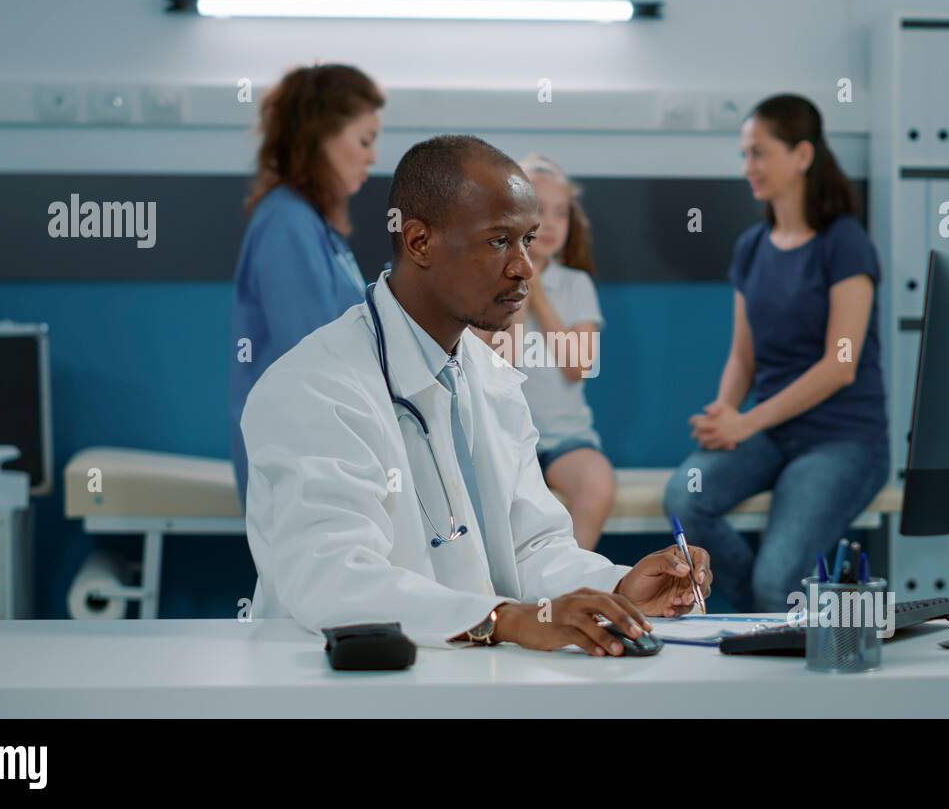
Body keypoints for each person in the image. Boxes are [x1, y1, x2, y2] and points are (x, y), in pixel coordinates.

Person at [242, 135, 712, 654]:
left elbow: (532, 545)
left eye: (528, 240)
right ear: (419, 242)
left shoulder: (492, 380)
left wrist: (618, 588)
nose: (523, 268)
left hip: (463, 679)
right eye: (498, 241)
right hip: (336, 687)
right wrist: (502, 619)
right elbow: (332, 577)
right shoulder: (316, 385)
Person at [663, 94, 889, 613]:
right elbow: (744, 357)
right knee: (685, 498)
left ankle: (759, 615)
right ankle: (749, 615)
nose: (748, 168)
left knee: (778, 579)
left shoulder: (845, 242)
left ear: (802, 156)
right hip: (769, 431)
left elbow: (841, 363)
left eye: (759, 153)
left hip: (841, 440)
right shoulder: (752, 247)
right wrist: (726, 410)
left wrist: (745, 423)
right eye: (745, 155)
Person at [229, 64, 384, 504]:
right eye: (365, 140)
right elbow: (313, 354)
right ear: (321, 137)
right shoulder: (287, 223)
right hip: (299, 458)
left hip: (321, 450)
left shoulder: (314, 227)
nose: (372, 157)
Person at [473, 154, 613, 550]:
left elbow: (578, 366)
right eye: (538, 212)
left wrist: (538, 299)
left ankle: (574, 581)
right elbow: (501, 364)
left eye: (560, 214)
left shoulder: (576, 284)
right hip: (506, 439)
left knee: (598, 483)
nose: (550, 224)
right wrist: (518, 287)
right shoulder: (486, 285)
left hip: (567, 439)